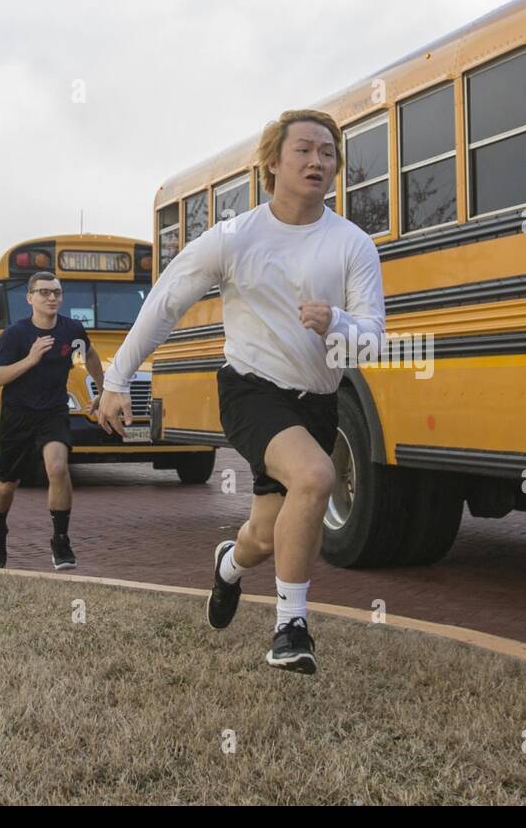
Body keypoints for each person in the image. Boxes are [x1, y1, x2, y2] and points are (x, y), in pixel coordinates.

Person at [98, 110, 385, 675]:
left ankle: (230, 565)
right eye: (303, 150)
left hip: (316, 400)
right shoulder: (234, 238)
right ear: (272, 162)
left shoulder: (353, 244)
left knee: (266, 536)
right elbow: (165, 304)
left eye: (328, 153)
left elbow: (373, 340)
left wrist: (336, 325)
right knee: (317, 477)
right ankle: (290, 628)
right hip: (250, 391)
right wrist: (116, 380)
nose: (317, 162)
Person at [0, 271, 104, 571]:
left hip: (53, 412)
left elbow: (90, 355)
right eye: (45, 292)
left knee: (58, 469)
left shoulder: (71, 329)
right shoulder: (15, 334)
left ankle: (60, 540)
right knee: (7, 484)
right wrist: (30, 359)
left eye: (57, 293)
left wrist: (104, 390)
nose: (52, 298)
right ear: (30, 298)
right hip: (17, 414)